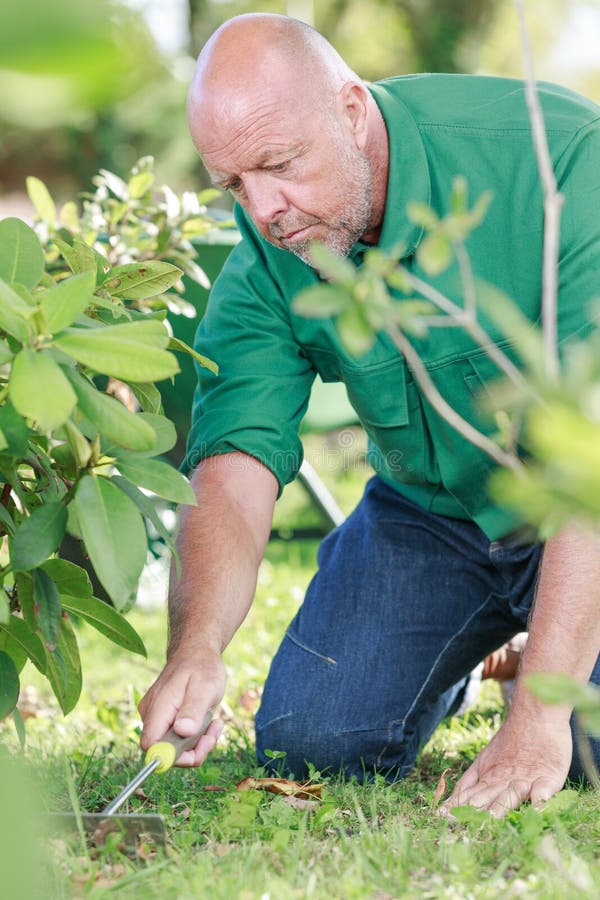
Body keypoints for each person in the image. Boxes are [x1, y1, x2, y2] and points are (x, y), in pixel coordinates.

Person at [139, 13, 600, 816]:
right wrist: (198, 646)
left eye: (279, 165)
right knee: (308, 742)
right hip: (434, 515)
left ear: (351, 110)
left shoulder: (562, 158)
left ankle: (547, 655)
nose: (264, 212)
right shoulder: (269, 255)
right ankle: (477, 654)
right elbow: (233, 457)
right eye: (233, 186)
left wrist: (541, 716)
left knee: (584, 748)